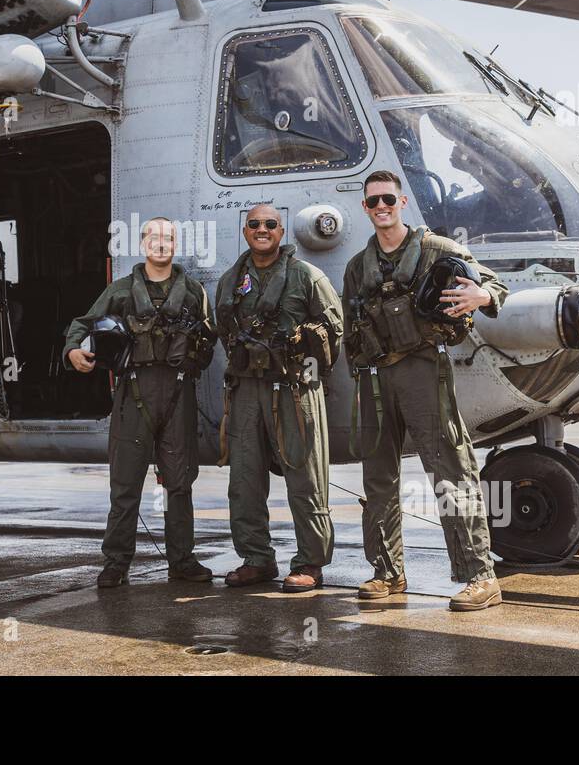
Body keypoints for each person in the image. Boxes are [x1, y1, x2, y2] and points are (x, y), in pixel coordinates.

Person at [342, 170, 509, 611]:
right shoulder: (358, 267)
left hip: (422, 370)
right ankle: (387, 572)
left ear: (401, 203)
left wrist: (482, 297)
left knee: (451, 469)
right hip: (374, 377)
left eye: (388, 200)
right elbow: (350, 327)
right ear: (365, 207)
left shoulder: (438, 250)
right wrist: (358, 375)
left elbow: (495, 286)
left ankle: (480, 576)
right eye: (373, 201)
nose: (381, 207)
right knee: (378, 476)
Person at [64, 217, 216, 588]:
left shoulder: (193, 293)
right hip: (134, 392)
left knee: (179, 482)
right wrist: (73, 350)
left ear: (175, 245)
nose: (161, 244)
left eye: (168, 238)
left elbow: (209, 337)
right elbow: (83, 324)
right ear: (143, 243)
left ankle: (182, 560)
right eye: (154, 237)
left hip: (178, 392)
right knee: (125, 483)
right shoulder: (120, 291)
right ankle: (116, 562)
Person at [214, 204, 342, 593]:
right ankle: (256, 559)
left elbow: (334, 331)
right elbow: (223, 327)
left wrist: (305, 361)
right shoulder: (231, 280)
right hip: (246, 390)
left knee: (305, 478)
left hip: (294, 389)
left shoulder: (306, 276)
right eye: (254, 224)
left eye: (270, 224)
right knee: (244, 479)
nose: (262, 229)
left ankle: (310, 562)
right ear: (245, 231)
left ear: (281, 231)